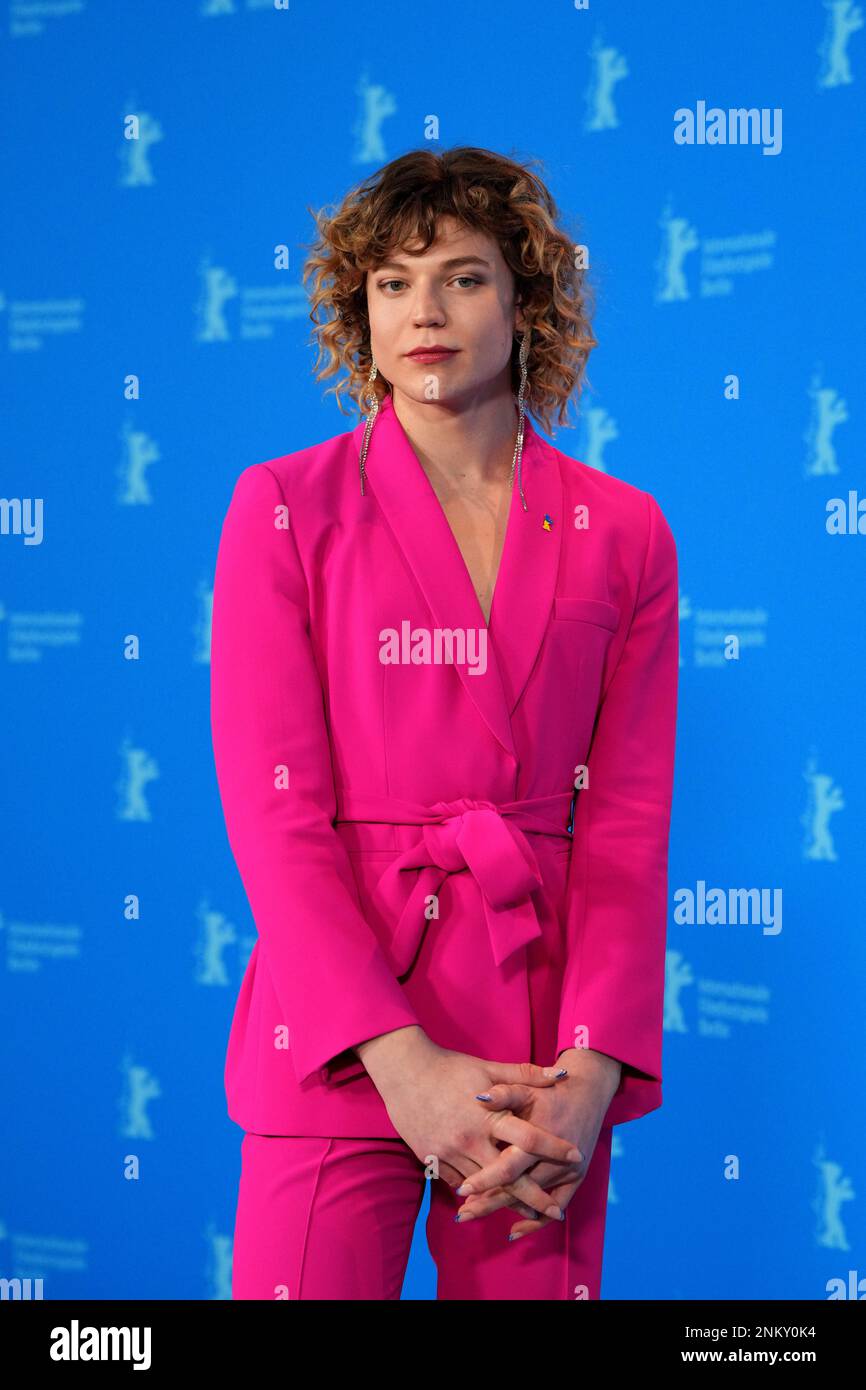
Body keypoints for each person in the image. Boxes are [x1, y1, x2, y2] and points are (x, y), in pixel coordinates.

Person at [210, 146, 679, 1300]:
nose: (423, 311)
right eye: (391, 282)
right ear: (355, 311)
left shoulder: (624, 533)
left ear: (525, 303)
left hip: (540, 1053)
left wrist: (591, 1070)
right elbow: (278, 827)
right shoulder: (282, 507)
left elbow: (624, 829)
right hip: (334, 1035)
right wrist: (399, 1063)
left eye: (462, 278)